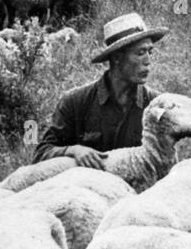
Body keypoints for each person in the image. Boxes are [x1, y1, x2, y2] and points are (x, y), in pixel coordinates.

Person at [32, 13, 165, 167]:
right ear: (116, 57)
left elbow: (165, 163)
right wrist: (74, 151)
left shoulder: (156, 105)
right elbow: (41, 154)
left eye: (150, 52)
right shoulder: (76, 102)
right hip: (85, 188)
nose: (148, 61)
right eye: (140, 53)